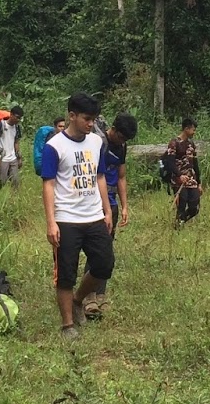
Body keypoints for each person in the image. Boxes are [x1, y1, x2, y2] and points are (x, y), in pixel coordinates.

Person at [39, 93, 114, 340]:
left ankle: (78, 300)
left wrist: (107, 209)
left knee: (104, 264)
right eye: (86, 119)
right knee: (66, 273)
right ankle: (67, 325)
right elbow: (48, 185)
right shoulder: (54, 147)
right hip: (66, 218)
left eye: (93, 119)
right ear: (72, 116)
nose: (90, 124)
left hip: (93, 215)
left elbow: (100, 176)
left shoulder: (95, 142)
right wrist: (51, 222)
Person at [85, 112, 138, 319]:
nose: (121, 141)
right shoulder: (97, 142)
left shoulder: (121, 147)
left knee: (106, 249)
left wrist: (124, 206)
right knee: (94, 249)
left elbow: (122, 177)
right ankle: (88, 296)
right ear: (113, 129)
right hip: (94, 203)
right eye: (121, 137)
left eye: (125, 140)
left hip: (112, 203)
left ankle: (100, 294)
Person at [166, 117, 204, 227]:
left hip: (191, 179)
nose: (194, 132)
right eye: (193, 129)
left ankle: (180, 222)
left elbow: (195, 164)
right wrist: (179, 175)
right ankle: (178, 225)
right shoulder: (174, 143)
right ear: (186, 129)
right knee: (181, 204)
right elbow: (170, 162)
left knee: (194, 207)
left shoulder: (191, 144)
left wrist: (199, 182)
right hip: (178, 180)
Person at [0, 105, 25, 190]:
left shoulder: (17, 127)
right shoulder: (1, 125)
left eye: (20, 118)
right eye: (17, 117)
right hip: (3, 158)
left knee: (16, 181)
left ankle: (14, 200)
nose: (18, 120)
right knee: (2, 181)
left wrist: (19, 158)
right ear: (11, 114)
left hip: (13, 158)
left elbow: (16, 142)